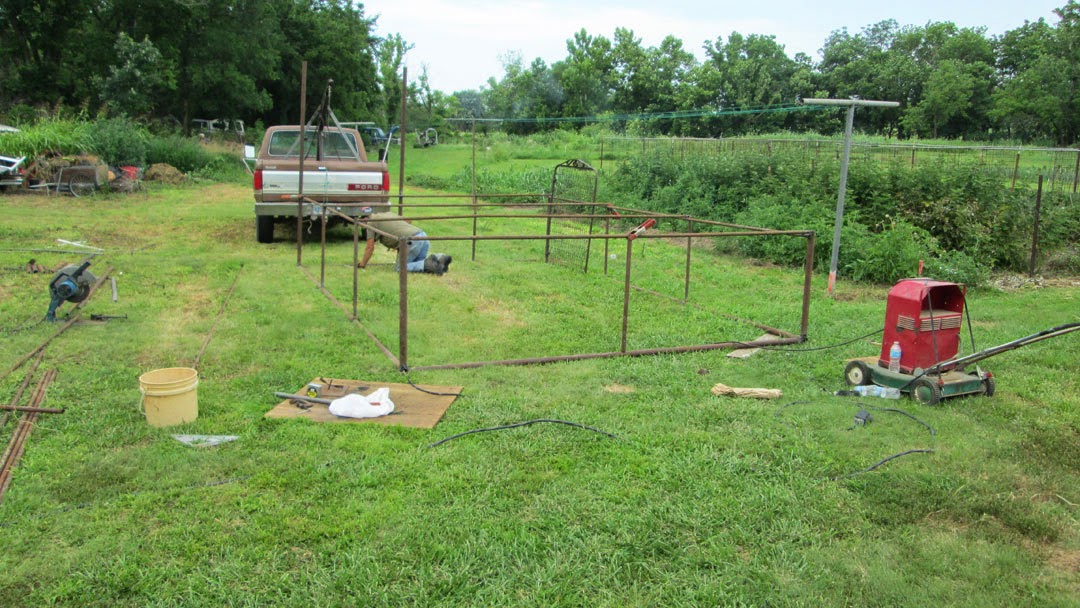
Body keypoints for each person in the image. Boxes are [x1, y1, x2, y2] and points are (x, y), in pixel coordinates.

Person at [357, 212, 452, 274]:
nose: (363, 228)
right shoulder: (388, 214)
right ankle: (439, 258)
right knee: (417, 267)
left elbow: (369, 247)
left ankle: (431, 263)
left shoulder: (370, 223)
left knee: (399, 269)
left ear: (365, 220)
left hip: (411, 241)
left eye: (362, 225)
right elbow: (408, 220)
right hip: (422, 236)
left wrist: (362, 265)